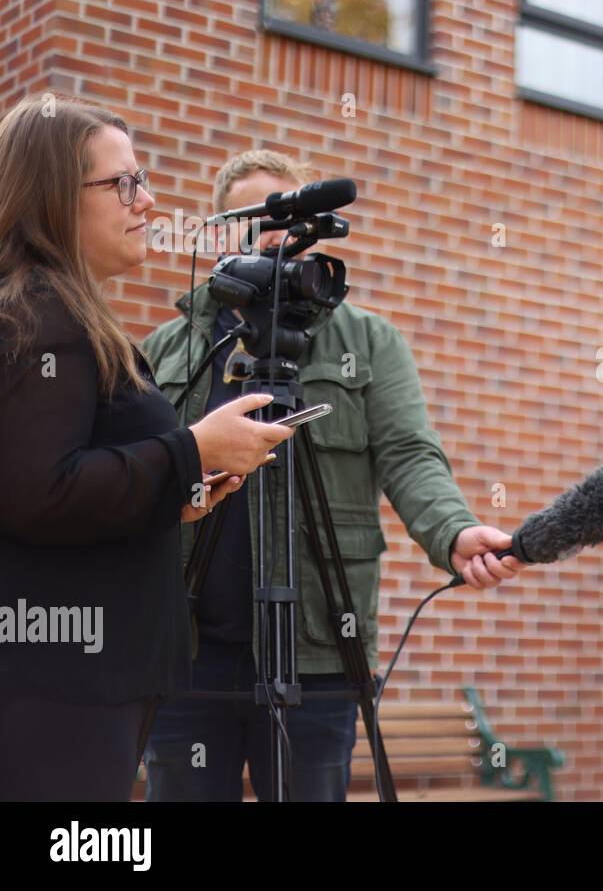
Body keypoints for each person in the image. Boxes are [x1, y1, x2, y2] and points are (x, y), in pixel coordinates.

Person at [141, 149, 524, 801]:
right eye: (260, 216)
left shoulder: (368, 344)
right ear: (218, 231)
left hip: (319, 653)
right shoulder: (165, 349)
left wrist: (452, 532)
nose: (276, 234)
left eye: (291, 218)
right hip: (187, 652)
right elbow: (137, 479)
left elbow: (408, 453)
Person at [0, 95, 291, 801]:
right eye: (122, 183)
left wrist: (174, 496)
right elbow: (36, 492)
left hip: (81, 672)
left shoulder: (61, 309)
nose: (148, 200)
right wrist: (190, 451)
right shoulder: (43, 316)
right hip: (64, 681)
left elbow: (61, 489)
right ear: (51, 199)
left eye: (143, 179)